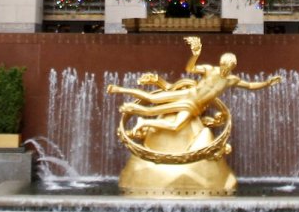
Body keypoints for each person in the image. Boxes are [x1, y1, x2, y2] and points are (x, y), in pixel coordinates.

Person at [108, 36, 281, 137]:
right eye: (222, 65)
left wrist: (267, 83)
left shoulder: (231, 80)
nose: (223, 68)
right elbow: (189, 69)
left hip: (195, 107)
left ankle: (143, 121)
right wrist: (195, 55)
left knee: (174, 124)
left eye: (227, 67)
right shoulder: (209, 70)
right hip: (188, 94)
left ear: (232, 67)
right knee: (152, 98)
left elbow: (250, 85)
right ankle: (119, 89)